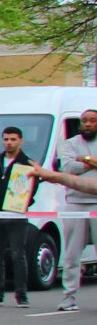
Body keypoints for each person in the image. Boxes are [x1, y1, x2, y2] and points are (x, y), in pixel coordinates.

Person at [0, 124, 37, 307]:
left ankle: (21, 294)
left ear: (20, 141)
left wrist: (24, 204)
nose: (9, 143)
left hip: (15, 213)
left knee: (17, 254)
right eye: (6, 139)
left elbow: (31, 189)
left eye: (13, 139)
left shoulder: (27, 164)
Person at [50, 108, 97, 312]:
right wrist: (90, 163)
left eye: (92, 121)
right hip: (75, 203)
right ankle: (69, 297)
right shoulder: (70, 143)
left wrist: (83, 160)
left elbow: (77, 164)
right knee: (71, 253)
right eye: (84, 121)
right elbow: (67, 168)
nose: (87, 124)